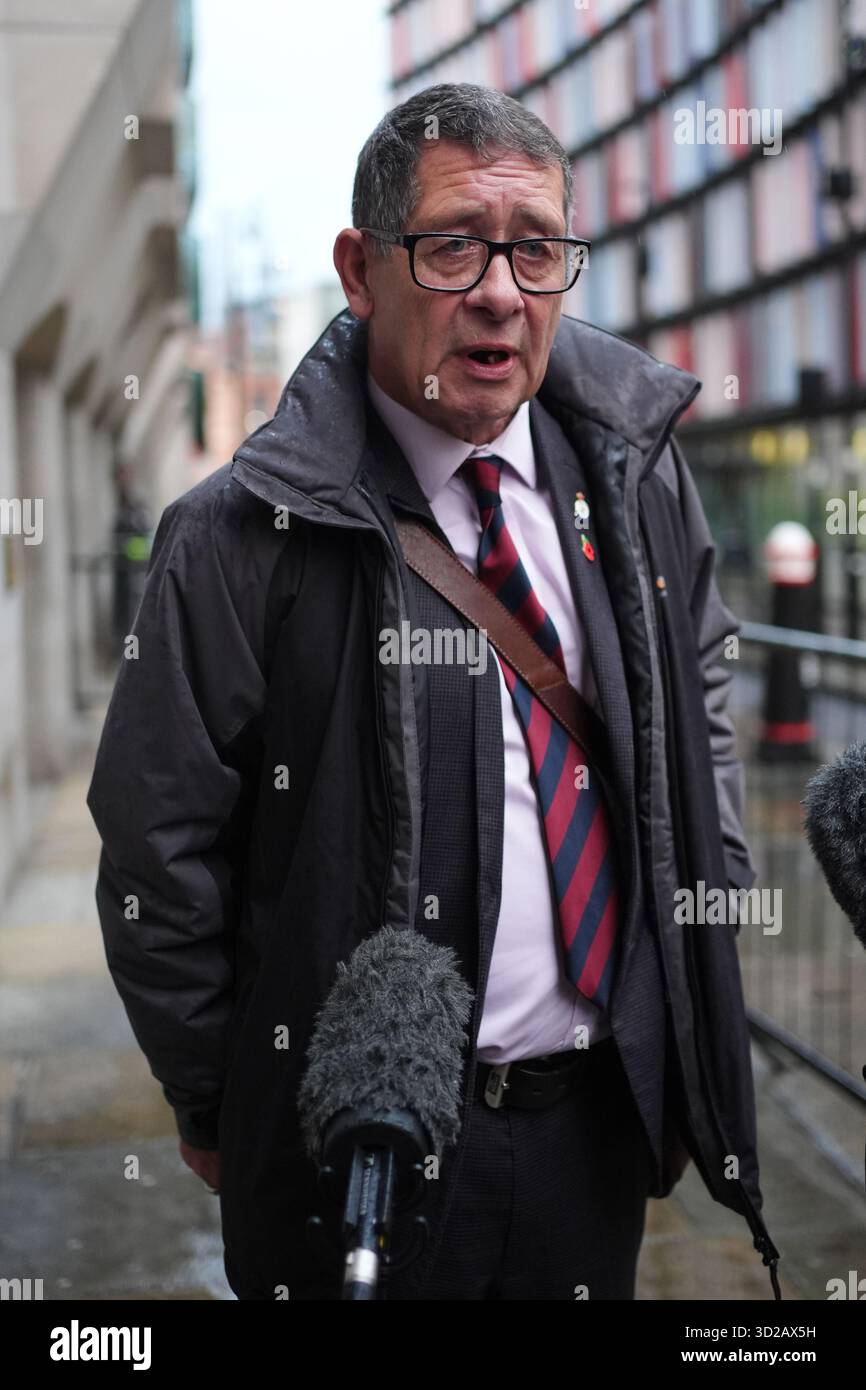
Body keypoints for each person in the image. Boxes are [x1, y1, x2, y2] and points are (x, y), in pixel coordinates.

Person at [87, 83, 780, 1301]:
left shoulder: (636, 484)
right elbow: (158, 850)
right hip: (356, 1161)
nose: (502, 291)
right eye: (454, 244)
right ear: (361, 270)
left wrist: (689, 1039)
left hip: (594, 1137)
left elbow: (696, 747)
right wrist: (222, 1098)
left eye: (537, 249)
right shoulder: (237, 538)